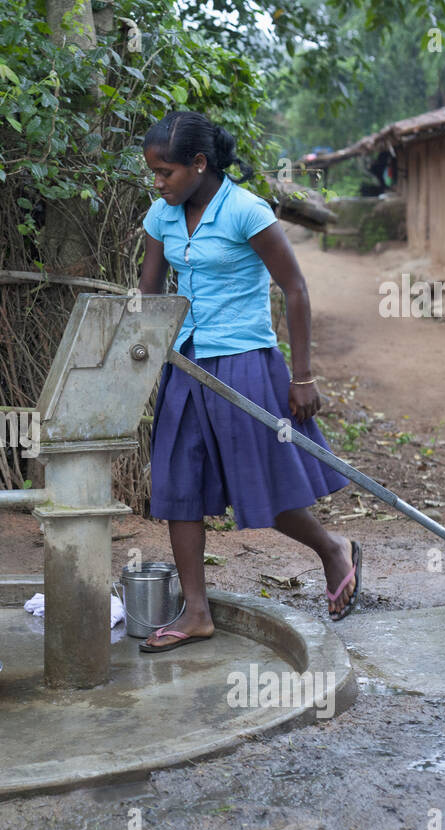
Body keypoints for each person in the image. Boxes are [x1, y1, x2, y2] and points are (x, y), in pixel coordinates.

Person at [137, 111, 361, 653]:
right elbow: (147, 295)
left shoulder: (245, 212)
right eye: (153, 173)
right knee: (177, 486)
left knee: (259, 482)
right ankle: (196, 612)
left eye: (166, 172)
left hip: (243, 364)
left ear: (199, 163)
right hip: (185, 364)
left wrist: (302, 376)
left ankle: (333, 550)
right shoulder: (162, 216)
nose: (158, 183)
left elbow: (296, 289)